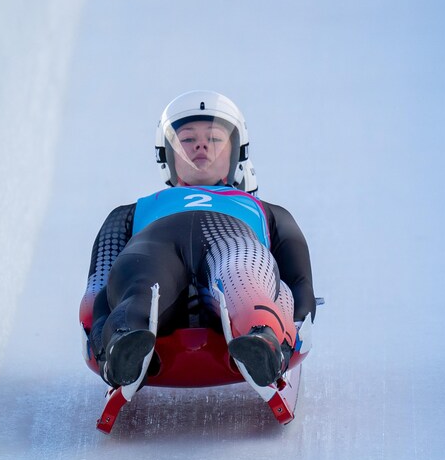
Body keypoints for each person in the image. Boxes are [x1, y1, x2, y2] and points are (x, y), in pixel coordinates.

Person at [79, 90, 315, 389]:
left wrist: (94, 330)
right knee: (139, 282)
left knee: (240, 271)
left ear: (236, 153)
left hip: (229, 233)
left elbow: (299, 279)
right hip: (155, 241)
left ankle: (261, 342)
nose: (201, 145)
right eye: (187, 139)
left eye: (215, 139)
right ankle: (125, 344)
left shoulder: (266, 211)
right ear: (168, 154)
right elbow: (101, 280)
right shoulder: (131, 212)